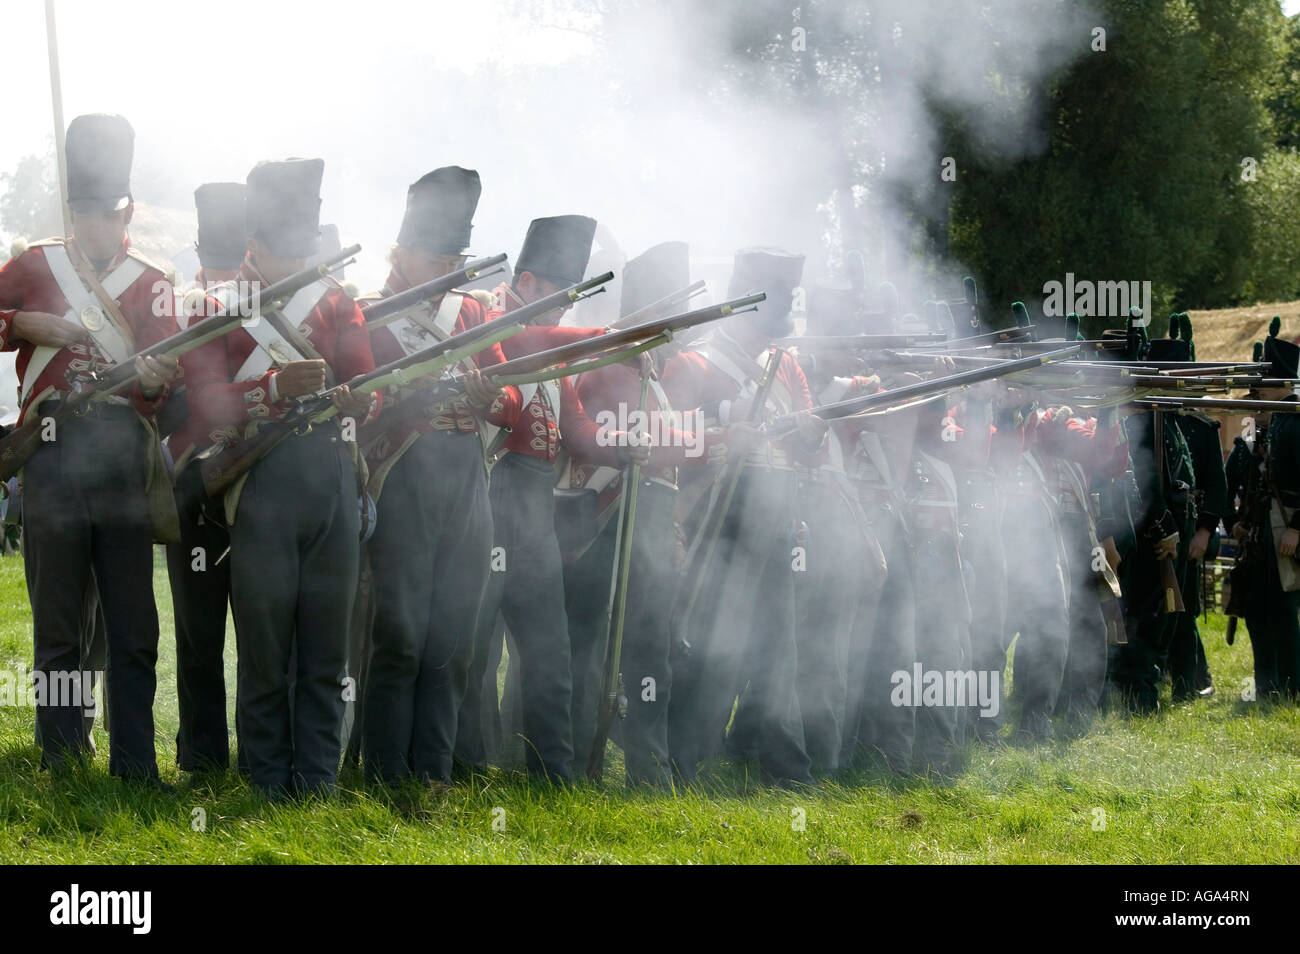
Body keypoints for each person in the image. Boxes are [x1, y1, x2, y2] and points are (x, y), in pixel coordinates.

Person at [184, 157, 376, 798]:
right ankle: (267, 779)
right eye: (282, 252)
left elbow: (366, 386)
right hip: (260, 483)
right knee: (265, 651)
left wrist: (357, 399)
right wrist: (270, 388)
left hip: (331, 477)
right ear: (253, 247)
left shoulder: (340, 306)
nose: (296, 267)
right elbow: (206, 402)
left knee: (326, 650)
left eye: (302, 252)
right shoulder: (216, 308)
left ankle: (317, 782)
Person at [0, 113, 180, 781]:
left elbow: (172, 384)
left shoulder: (152, 277)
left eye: (106, 214)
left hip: (121, 456)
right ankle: (61, 752)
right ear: (71, 209)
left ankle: (137, 762)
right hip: (51, 451)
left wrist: (159, 385)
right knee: (56, 623)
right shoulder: (34, 263)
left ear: (126, 210)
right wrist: (21, 320)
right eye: (83, 212)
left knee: (134, 625)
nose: (95, 226)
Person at [456, 214, 640, 783]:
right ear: (528, 282)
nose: (562, 312)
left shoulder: (552, 347)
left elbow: (574, 429)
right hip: (489, 496)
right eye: (557, 297)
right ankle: (468, 765)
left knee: (549, 649)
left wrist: (619, 448)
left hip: (534, 508)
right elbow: (522, 343)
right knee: (474, 649)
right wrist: (610, 341)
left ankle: (551, 771)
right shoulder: (489, 315)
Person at [356, 166, 512, 786]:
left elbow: (506, 399)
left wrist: (485, 396)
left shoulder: (472, 311)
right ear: (402, 252)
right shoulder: (369, 315)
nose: (447, 266)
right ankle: (386, 770)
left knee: (453, 634)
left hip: (465, 475)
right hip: (402, 473)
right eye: (435, 255)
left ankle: (435, 770)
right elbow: (359, 400)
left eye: (454, 255)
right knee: (399, 632)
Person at [663, 247, 827, 788]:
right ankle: (683, 760)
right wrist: (724, 423)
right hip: (720, 509)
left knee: (780, 647)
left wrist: (811, 432)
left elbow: (809, 453)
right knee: (715, 641)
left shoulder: (788, 365)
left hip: (775, 512)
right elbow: (672, 430)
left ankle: (786, 768)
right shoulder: (696, 361)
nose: (774, 334)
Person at [164, 181, 246, 774]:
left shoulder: (266, 314)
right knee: (205, 633)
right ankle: (207, 752)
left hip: (247, 481)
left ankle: (206, 753)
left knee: (215, 633)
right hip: (199, 484)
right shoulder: (180, 312)